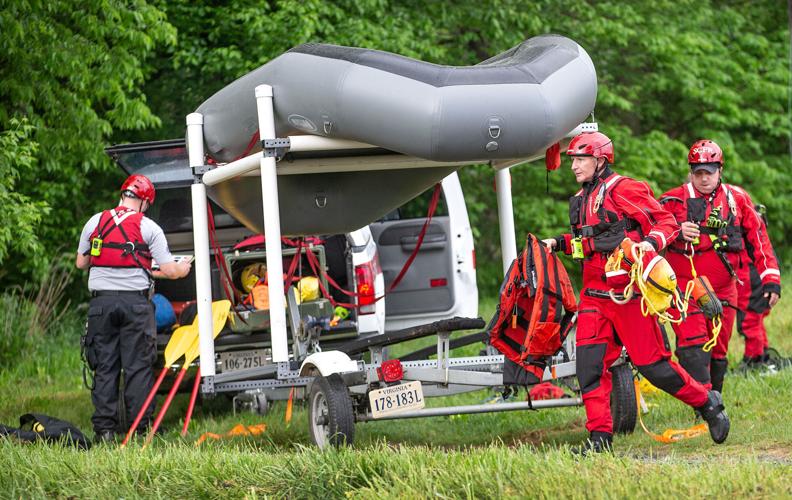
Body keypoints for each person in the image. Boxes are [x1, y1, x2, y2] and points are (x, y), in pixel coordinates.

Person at [543, 131, 729, 453]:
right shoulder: (582, 198)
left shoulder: (626, 189)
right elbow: (588, 245)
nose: (574, 165)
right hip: (593, 298)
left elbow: (667, 223)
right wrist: (556, 244)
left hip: (627, 297)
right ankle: (600, 439)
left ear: (600, 160)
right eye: (572, 159)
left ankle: (707, 402)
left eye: (581, 159)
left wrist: (649, 243)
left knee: (654, 367)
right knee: (589, 369)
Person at [659, 140, 781, 395]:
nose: (704, 178)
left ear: (720, 171)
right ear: (691, 172)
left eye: (709, 172)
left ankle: (714, 400)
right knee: (692, 345)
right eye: (698, 172)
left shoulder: (737, 199)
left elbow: (759, 240)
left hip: (725, 288)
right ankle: (706, 406)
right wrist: (676, 230)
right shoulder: (671, 200)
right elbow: (650, 230)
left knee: (718, 349)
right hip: (685, 286)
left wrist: (771, 280)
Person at [75, 174, 191, 443]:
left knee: (105, 367)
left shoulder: (95, 221)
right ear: (145, 201)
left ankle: (104, 431)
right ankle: (141, 428)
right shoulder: (149, 227)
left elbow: (81, 263)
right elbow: (170, 270)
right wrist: (182, 268)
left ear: (123, 194)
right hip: (136, 306)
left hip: (101, 305)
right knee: (138, 367)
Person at [735, 204, 789, 371]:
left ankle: (754, 361)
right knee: (755, 318)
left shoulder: (730, 207)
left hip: (754, 273)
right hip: (760, 270)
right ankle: (763, 354)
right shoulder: (739, 205)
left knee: (749, 319)